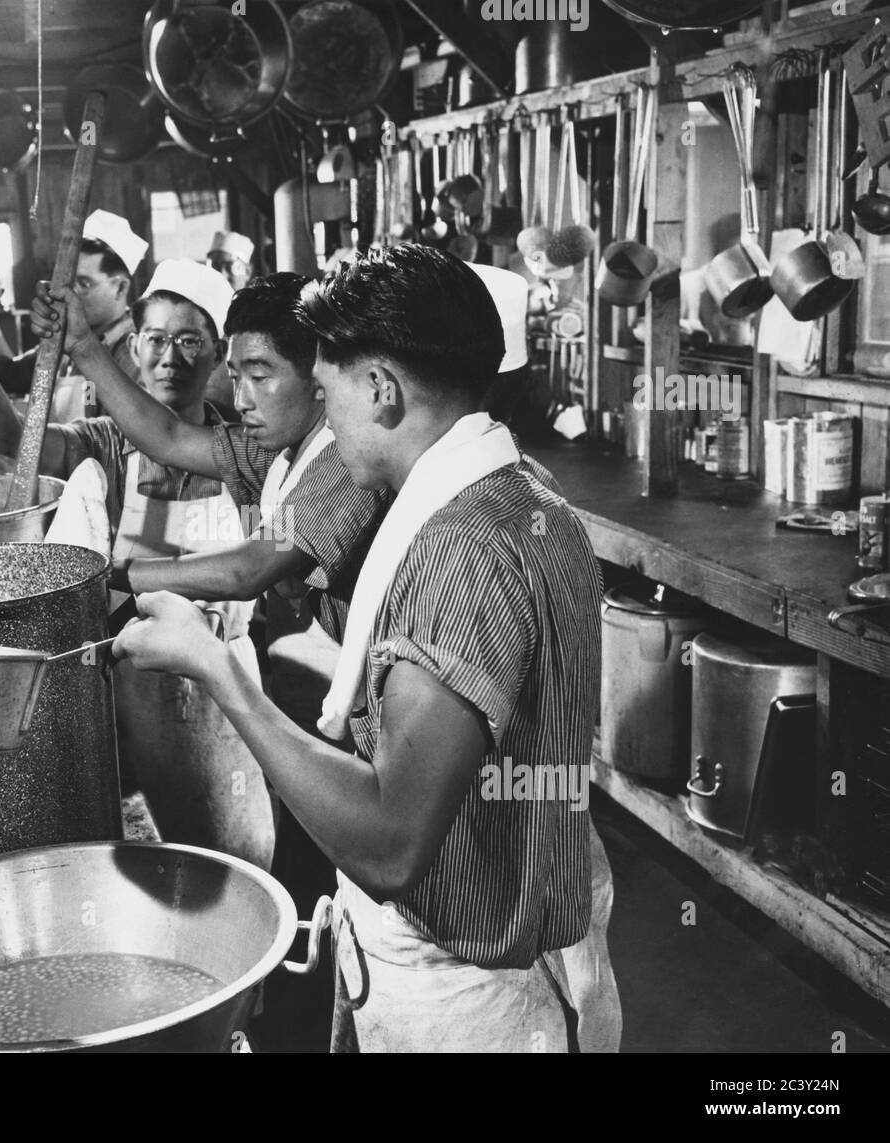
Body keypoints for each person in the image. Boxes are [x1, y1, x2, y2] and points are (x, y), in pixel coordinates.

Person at [112, 244, 605, 1052]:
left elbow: (389, 842)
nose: (323, 413)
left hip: (468, 1000)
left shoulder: (461, 550)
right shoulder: (524, 495)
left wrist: (215, 668)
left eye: (327, 386)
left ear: (380, 389)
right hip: (521, 944)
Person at [0, 259, 275, 871]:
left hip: (225, 688)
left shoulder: (245, 452)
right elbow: (16, 444)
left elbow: (260, 571)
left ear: (216, 356)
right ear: (135, 345)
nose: (170, 357)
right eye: (156, 339)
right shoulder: (104, 447)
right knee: (153, 871)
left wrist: (127, 575)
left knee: (242, 861)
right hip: (134, 694)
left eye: (189, 340)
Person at [0, 210, 147, 419]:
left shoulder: (135, 354)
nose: (70, 295)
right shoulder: (62, 344)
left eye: (84, 284)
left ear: (120, 288)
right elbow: (10, 375)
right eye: (67, 284)